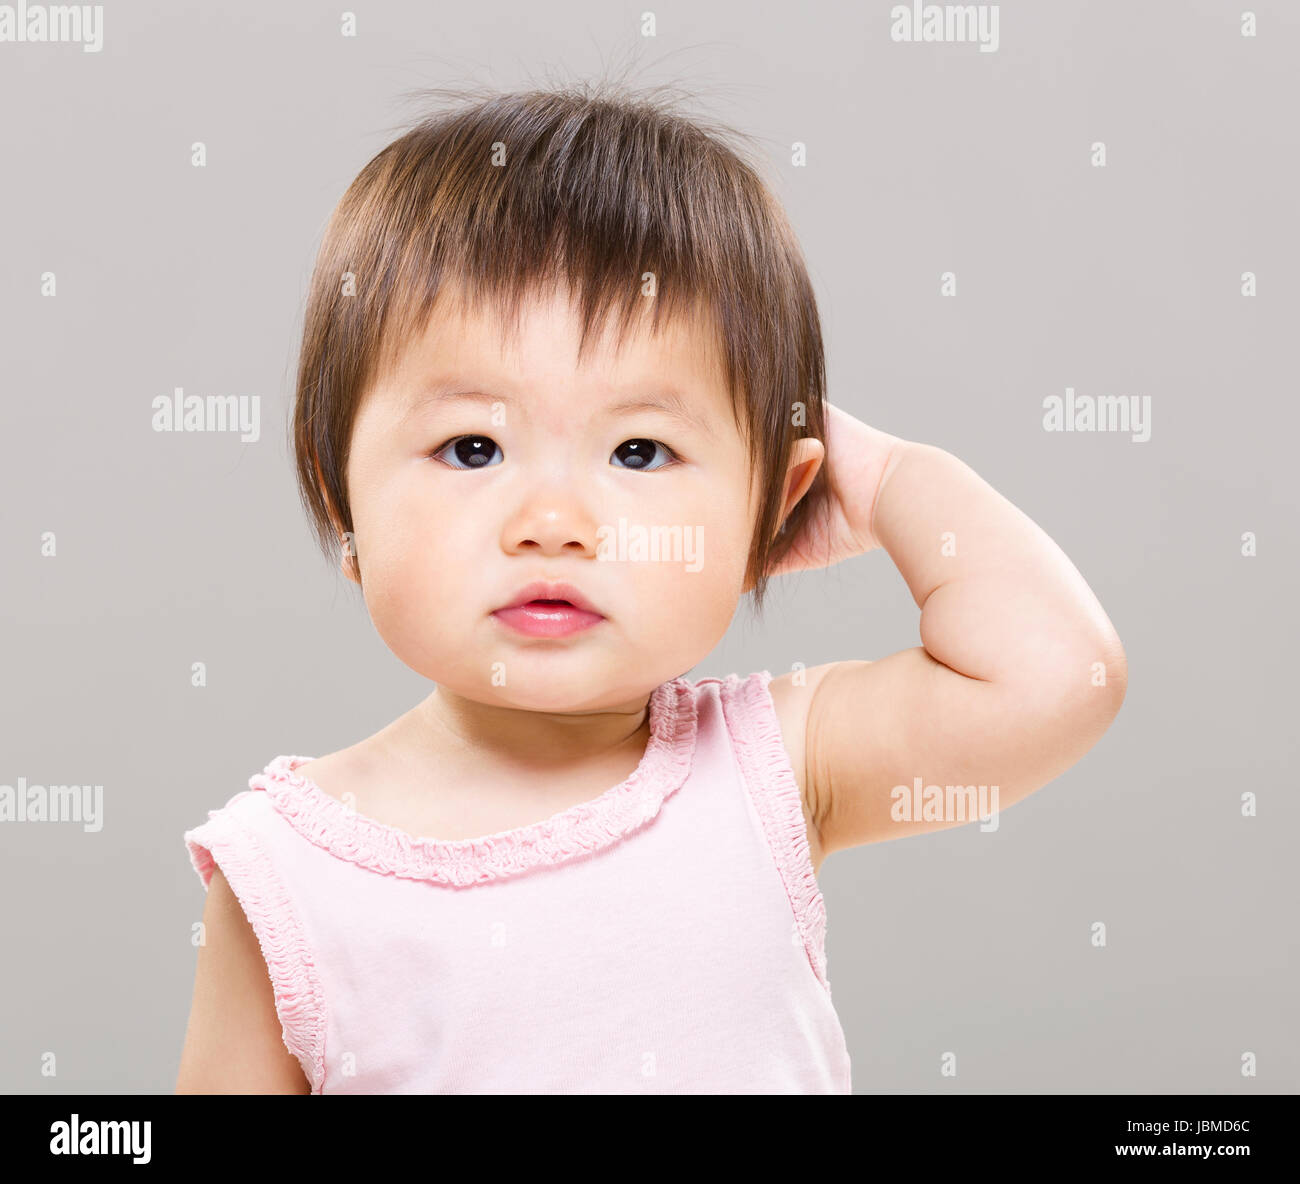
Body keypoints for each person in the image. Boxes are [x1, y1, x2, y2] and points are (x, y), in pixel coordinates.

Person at [175, 81, 1127, 1094]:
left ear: (774, 504)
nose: (553, 519)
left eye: (639, 449)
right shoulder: (287, 867)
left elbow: (1059, 676)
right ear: (342, 501)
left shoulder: (772, 767)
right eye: (472, 446)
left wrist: (889, 478)